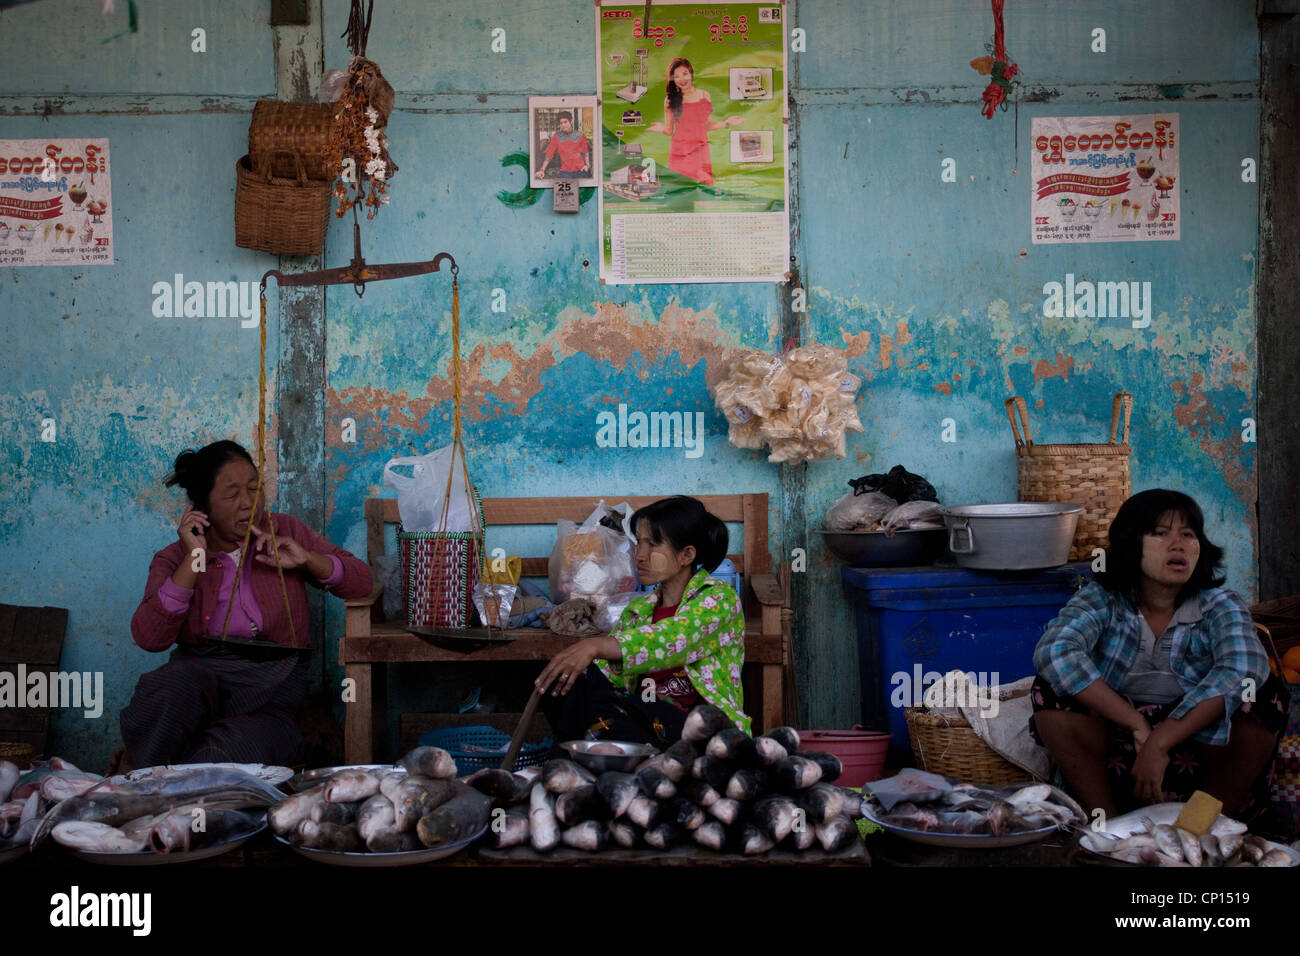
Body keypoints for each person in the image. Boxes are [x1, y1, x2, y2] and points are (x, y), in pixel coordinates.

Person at [1030, 489, 1289, 825]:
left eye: (1188, 534)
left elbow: (1243, 667)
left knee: (1261, 695)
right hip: (1121, 750)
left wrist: (1160, 742)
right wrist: (1136, 723)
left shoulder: (1219, 603)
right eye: (1160, 534)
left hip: (1200, 746)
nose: (1177, 544)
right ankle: (1107, 827)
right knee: (1050, 688)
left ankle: (1202, 827)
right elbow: (1055, 651)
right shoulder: (1103, 599)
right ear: (1131, 544)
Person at [120, 440, 372, 769]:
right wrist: (195, 559)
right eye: (232, 494)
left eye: (255, 489)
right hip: (202, 689)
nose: (248, 503)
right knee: (170, 687)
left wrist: (307, 559)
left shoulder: (284, 531)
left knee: (223, 759)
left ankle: (187, 771)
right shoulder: (175, 558)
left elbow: (361, 582)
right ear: (203, 506)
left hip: (270, 699)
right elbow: (149, 638)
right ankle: (145, 781)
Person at [535, 496, 748, 746]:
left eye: (653, 544)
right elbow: (611, 677)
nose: (640, 555)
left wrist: (595, 645)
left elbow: (671, 639)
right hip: (644, 717)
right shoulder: (639, 610)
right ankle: (617, 750)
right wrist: (578, 672)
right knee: (565, 681)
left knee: (623, 713)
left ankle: (616, 750)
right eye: (639, 542)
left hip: (700, 728)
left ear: (686, 555)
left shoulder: (719, 598)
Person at [646, 58, 743, 186]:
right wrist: (662, 128)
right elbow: (669, 131)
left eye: (685, 74)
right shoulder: (670, 100)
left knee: (704, 186)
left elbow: (707, 125)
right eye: (677, 76)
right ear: (673, 80)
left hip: (700, 148)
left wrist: (727, 122)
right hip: (680, 149)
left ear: (691, 73)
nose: (682, 79)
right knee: (680, 188)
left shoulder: (704, 95)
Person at [536, 110, 590, 179]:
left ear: (571, 121)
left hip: (581, 171)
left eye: (565, 122)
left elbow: (586, 153)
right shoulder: (556, 137)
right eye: (561, 123)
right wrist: (542, 170)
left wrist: (587, 166)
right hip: (566, 173)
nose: (563, 125)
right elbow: (549, 154)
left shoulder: (580, 135)